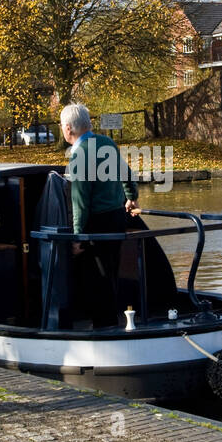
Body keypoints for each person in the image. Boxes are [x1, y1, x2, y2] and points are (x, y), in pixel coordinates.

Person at [61, 103, 139, 328]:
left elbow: (80, 201)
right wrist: (130, 195)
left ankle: (103, 327)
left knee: (95, 278)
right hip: (116, 217)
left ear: (68, 129)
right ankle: (113, 320)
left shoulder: (79, 156)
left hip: (96, 222)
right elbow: (125, 172)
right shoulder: (106, 143)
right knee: (111, 272)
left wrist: (77, 237)